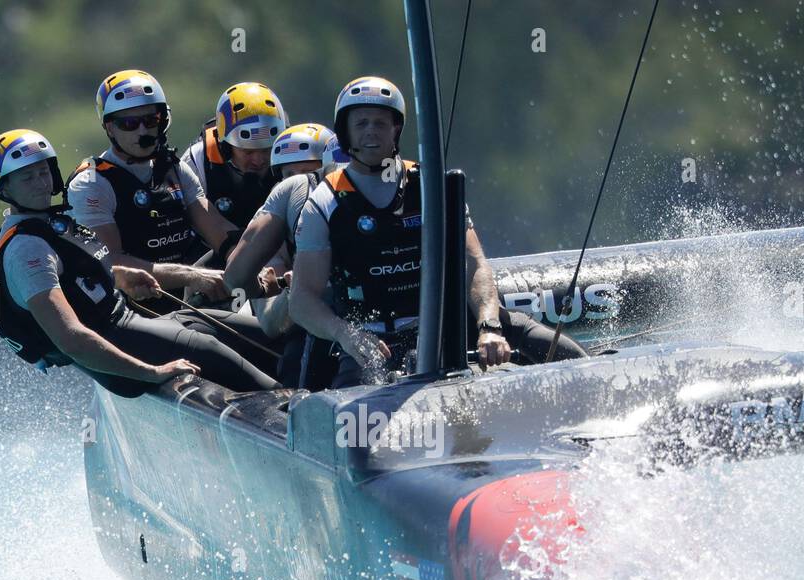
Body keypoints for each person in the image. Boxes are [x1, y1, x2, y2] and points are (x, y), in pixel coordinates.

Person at [289, 76, 587, 390]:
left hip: (446, 325)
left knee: (563, 352)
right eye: (361, 123)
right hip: (372, 341)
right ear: (345, 131)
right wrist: (346, 336)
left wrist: (489, 326)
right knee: (354, 420)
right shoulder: (323, 203)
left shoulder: (433, 185)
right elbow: (302, 301)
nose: (371, 132)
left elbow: (475, 265)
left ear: (396, 130)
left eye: (380, 123)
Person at [0, 128, 278, 396]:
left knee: (266, 335)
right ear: (3, 189)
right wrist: (152, 372)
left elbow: (79, 275)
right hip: (117, 346)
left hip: (130, 323)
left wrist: (121, 276)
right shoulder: (27, 250)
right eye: (27, 178)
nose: (40, 184)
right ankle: (289, 406)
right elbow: (71, 339)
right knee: (211, 349)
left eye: (43, 172)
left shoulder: (48, 223)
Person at [68, 69, 278, 371]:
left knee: (279, 338)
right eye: (129, 123)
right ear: (110, 129)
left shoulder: (174, 169)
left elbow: (220, 231)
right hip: (133, 317)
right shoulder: (91, 184)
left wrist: (255, 268)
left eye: (150, 120)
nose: (142, 131)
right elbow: (110, 263)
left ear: (163, 120)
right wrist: (191, 277)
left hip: (190, 307)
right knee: (223, 354)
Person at [224, 124, 343, 386]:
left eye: (307, 173)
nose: (297, 183)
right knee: (295, 353)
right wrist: (292, 290)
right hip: (306, 330)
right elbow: (269, 322)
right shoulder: (275, 226)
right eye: (287, 175)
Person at [184, 82, 289, 233]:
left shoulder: (293, 155)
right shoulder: (198, 159)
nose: (258, 160)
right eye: (248, 152)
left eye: (267, 150)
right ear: (226, 146)